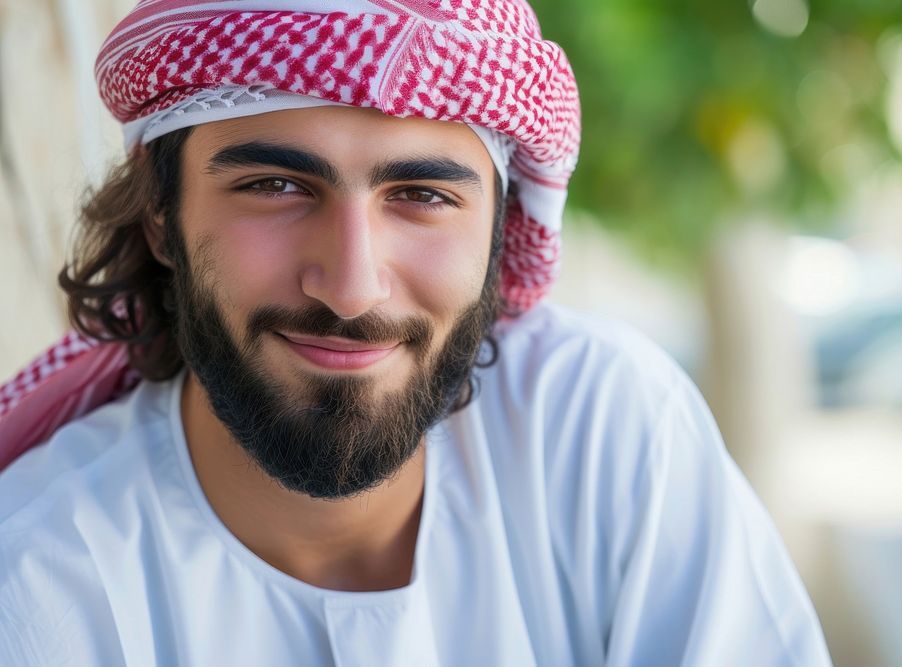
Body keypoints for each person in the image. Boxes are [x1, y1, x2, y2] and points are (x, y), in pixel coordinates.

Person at [0, 1, 831, 665]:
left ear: (499, 226)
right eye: (276, 184)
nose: (354, 285)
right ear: (157, 211)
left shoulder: (604, 436)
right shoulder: (42, 584)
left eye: (422, 195)